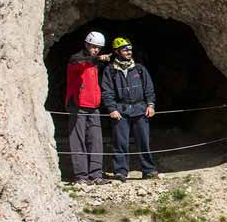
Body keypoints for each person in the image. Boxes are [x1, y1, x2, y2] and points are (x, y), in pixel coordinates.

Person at [101, 37, 158, 181]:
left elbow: (149, 88)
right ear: (117, 51)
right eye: (125, 49)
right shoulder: (110, 71)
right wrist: (112, 109)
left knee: (143, 141)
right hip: (120, 110)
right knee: (120, 143)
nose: (128, 51)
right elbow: (107, 91)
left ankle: (148, 170)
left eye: (130, 49)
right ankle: (120, 171)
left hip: (140, 109)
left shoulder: (139, 69)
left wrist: (151, 105)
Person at [65, 31, 110, 184]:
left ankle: (96, 175)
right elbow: (80, 62)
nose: (96, 49)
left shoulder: (94, 63)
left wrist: (97, 60)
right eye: (94, 46)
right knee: (78, 141)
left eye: (99, 48)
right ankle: (82, 176)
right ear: (87, 44)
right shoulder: (76, 59)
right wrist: (97, 59)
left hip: (94, 106)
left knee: (96, 141)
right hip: (78, 105)